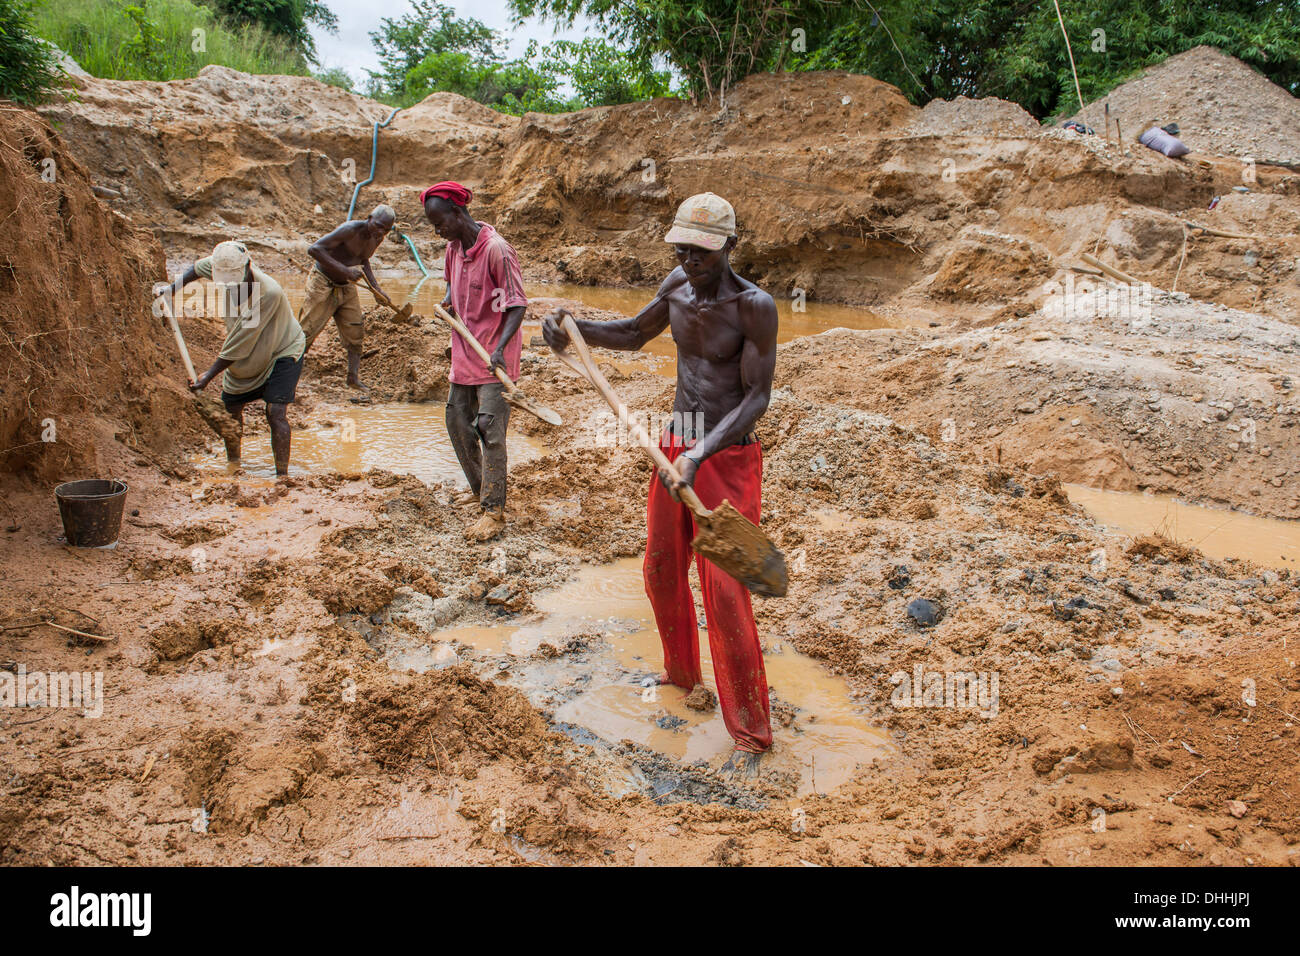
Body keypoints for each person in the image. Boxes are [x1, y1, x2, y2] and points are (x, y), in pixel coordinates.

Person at [542, 193, 778, 774]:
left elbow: (757, 397)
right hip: (676, 443)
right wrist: (573, 329)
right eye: (681, 246)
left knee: (725, 591)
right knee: (660, 567)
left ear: (729, 246)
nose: (688, 257)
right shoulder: (676, 285)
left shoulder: (755, 306)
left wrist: (703, 450)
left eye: (700, 249)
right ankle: (681, 675)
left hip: (725, 454)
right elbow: (630, 333)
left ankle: (751, 730)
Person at [422, 181, 528, 542]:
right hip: (465, 350)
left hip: (495, 354)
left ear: (457, 211)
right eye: (433, 226)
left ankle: (494, 511)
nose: (438, 232)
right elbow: (452, 283)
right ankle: (482, 492)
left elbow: (517, 305)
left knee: (488, 427)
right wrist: (449, 299)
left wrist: (498, 348)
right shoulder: (453, 249)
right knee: (457, 421)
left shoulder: (497, 250)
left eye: (440, 223)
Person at [162, 240, 305, 476]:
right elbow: (197, 268)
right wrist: (172, 289)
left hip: (282, 348)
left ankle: (282, 476)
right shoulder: (224, 264)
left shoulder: (268, 293)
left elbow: (239, 343)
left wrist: (208, 375)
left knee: (275, 412)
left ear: (248, 266)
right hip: (248, 354)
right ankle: (235, 465)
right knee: (231, 407)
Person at [300, 204, 395, 390]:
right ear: (369, 218)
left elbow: (363, 259)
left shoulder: (378, 236)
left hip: (347, 284)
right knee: (306, 332)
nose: (381, 232)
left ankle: (353, 379)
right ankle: (288, 378)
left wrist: (376, 290)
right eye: (378, 225)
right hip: (323, 282)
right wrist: (344, 270)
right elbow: (314, 249)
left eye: (386, 229)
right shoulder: (349, 229)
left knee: (355, 332)